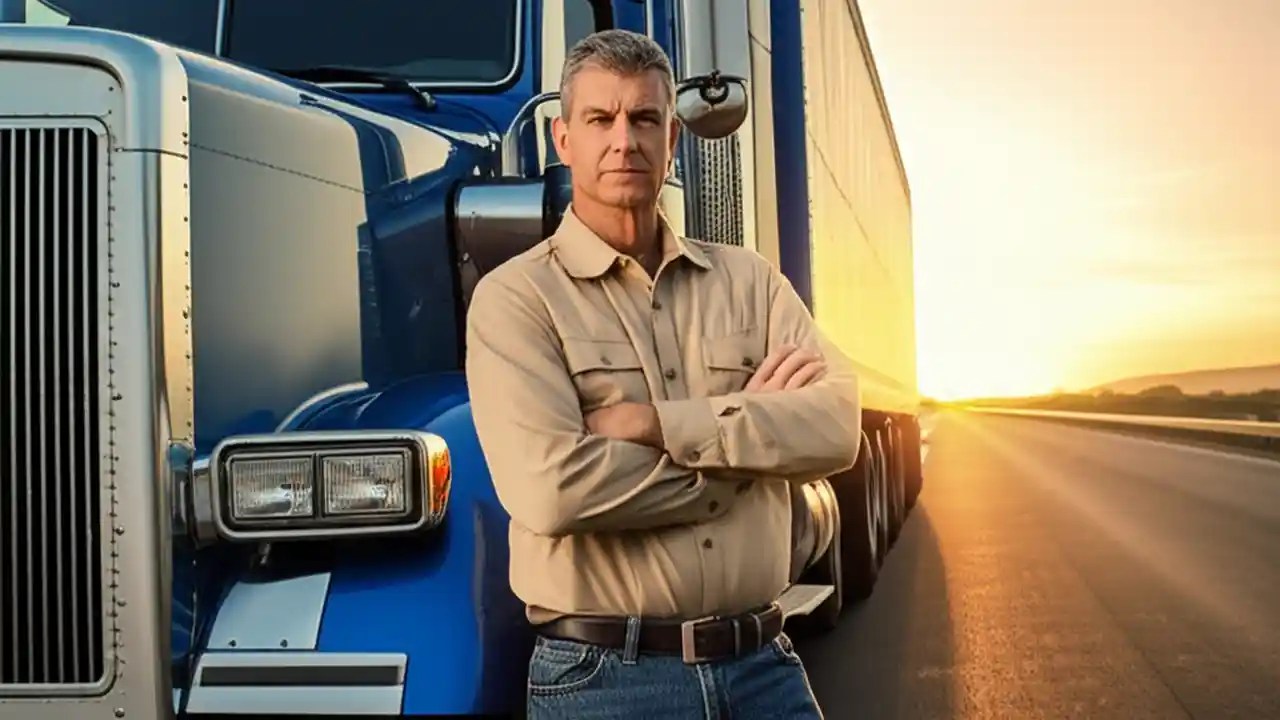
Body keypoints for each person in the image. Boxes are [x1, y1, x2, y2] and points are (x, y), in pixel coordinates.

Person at [465, 28, 861, 719]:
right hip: (606, 681)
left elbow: (836, 428)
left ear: (672, 138)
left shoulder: (751, 281)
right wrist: (745, 461)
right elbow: (553, 491)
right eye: (601, 119)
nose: (625, 141)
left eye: (645, 118)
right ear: (563, 139)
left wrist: (656, 425)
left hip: (764, 668)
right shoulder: (517, 300)